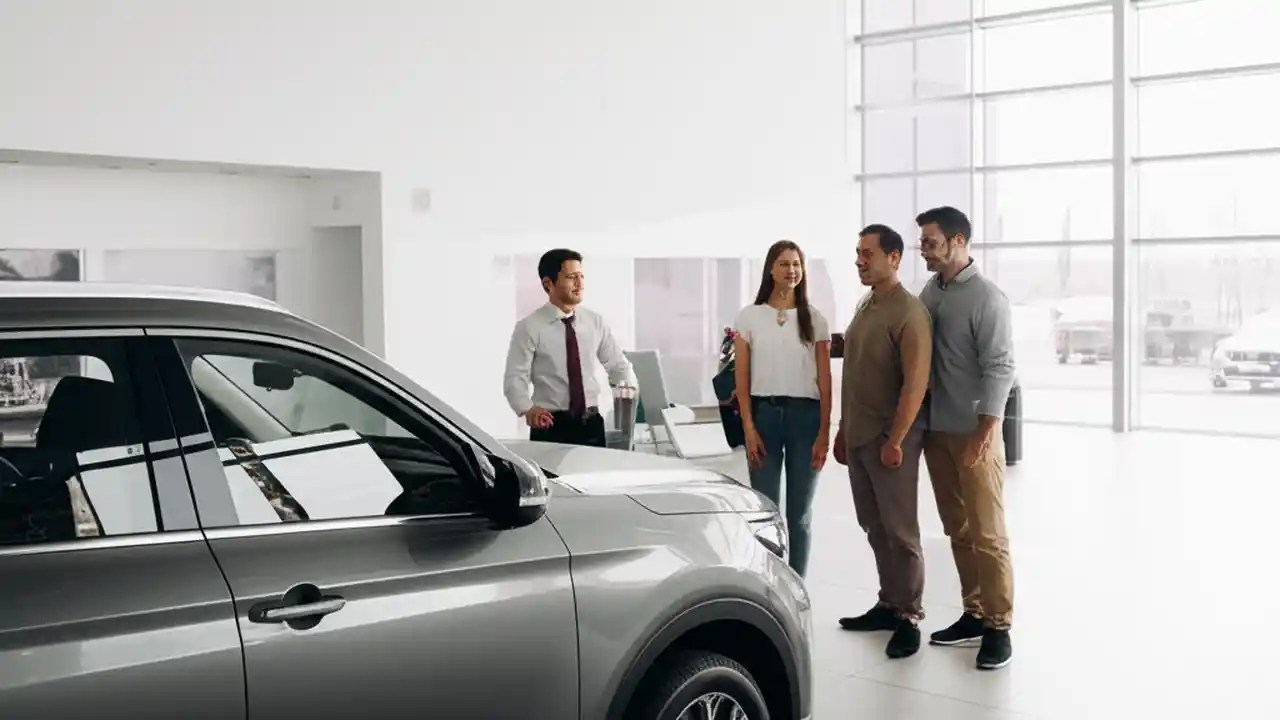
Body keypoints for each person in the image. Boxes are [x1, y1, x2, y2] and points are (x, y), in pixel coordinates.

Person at [915, 206, 1017, 670]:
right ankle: (974, 612)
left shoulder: (987, 298)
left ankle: (998, 626)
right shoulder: (929, 293)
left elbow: (1000, 367)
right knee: (957, 530)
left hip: (976, 433)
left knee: (987, 533)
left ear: (958, 241)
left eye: (930, 242)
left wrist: (986, 429)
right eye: (922, 243)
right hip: (938, 431)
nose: (924, 251)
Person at [832, 224, 932, 659]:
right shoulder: (866, 304)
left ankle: (909, 615)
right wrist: (841, 429)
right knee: (873, 525)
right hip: (858, 435)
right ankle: (888, 602)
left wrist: (896, 439)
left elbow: (915, 383)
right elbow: (854, 371)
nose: (860, 260)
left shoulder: (909, 312)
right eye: (857, 253)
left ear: (894, 257)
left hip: (891, 442)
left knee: (900, 531)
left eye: (868, 253)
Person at [733, 239, 832, 577]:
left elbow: (825, 380)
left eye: (796, 264)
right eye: (784, 263)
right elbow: (741, 379)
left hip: (806, 419)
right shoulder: (749, 317)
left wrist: (824, 432)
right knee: (764, 510)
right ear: (771, 270)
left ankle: (797, 586)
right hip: (764, 417)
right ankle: (768, 583)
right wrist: (749, 427)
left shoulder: (815, 319)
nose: (791, 270)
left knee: (800, 514)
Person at [503, 248, 634, 447]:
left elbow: (618, 366)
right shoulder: (529, 327)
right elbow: (515, 378)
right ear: (548, 284)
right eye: (572, 277)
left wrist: (628, 397)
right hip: (551, 425)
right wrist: (527, 409)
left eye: (581, 276)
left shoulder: (594, 322)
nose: (580, 283)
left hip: (591, 424)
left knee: (594, 477)